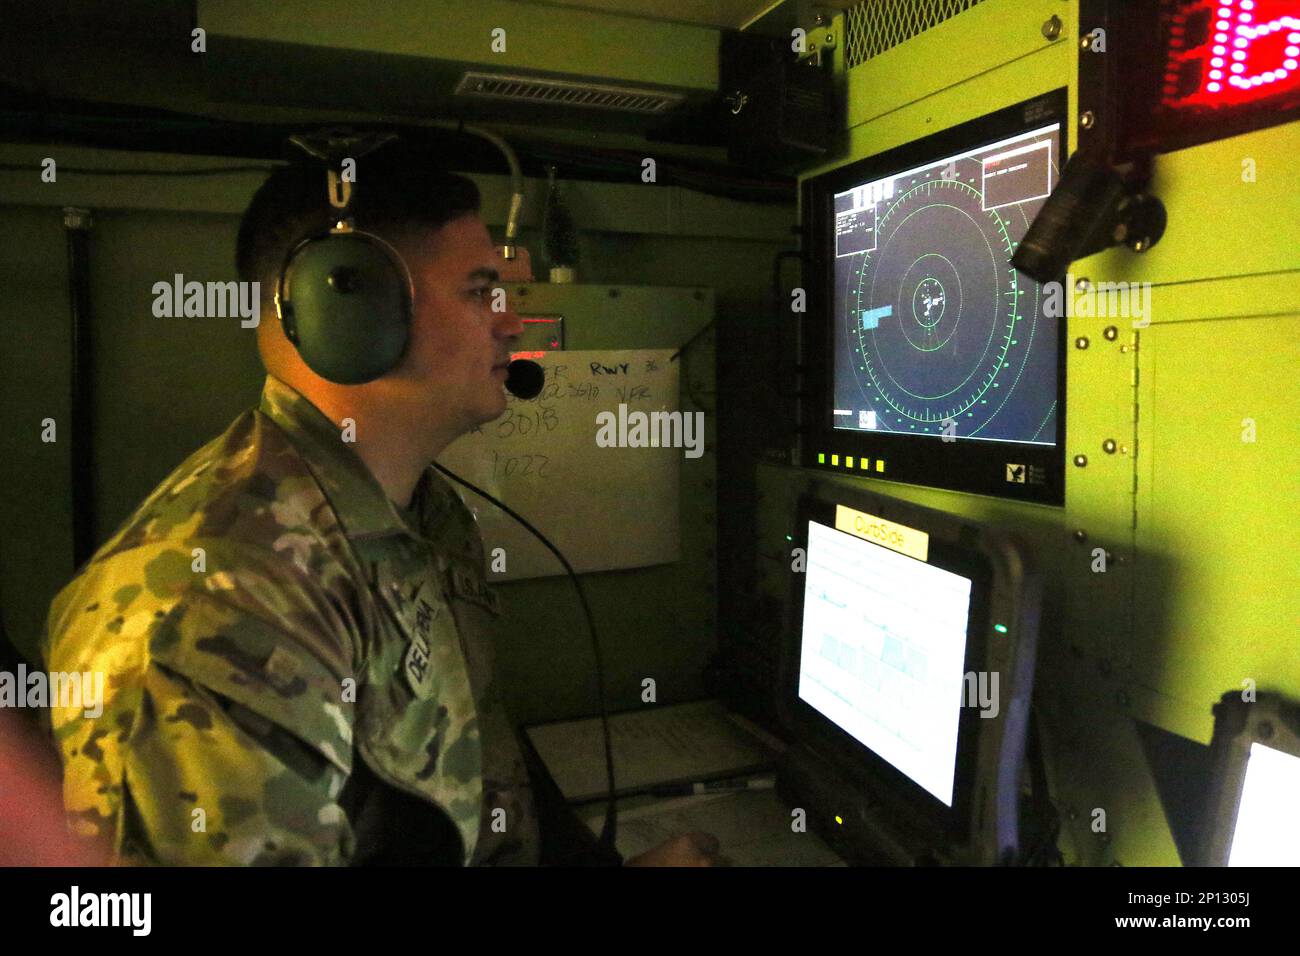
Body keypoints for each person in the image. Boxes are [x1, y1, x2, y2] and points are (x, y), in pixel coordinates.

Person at [40, 142, 717, 867]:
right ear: (351, 306)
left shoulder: (426, 513)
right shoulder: (209, 609)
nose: (512, 323)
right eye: (480, 290)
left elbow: (481, 779)